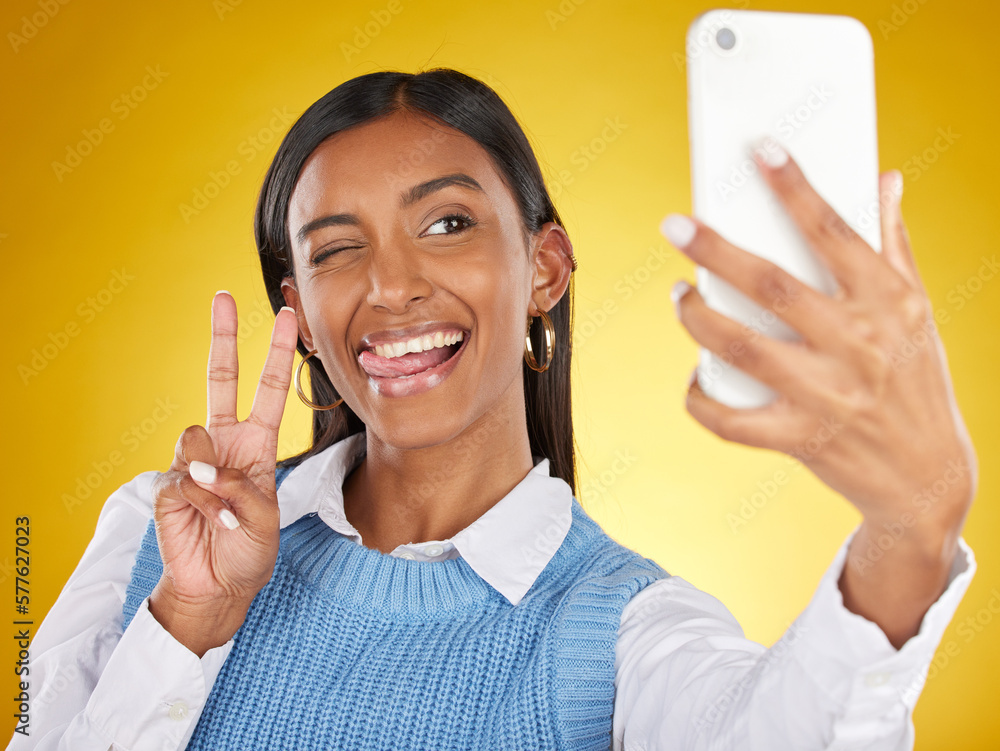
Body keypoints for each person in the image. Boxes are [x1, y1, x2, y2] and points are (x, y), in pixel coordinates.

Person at [10, 68, 977, 750]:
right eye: (337, 247)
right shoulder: (158, 529)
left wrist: (909, 531)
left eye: (447, 223)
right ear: (297, 315)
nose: (391, 286)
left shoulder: (621, 629)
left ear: (545, 268)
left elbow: (786, 732)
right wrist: (188, 617)